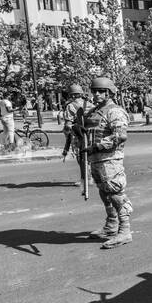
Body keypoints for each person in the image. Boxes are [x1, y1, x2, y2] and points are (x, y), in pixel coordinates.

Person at [79, 76, 134, 249]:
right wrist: (76, 128)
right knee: (104, 193)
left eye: (100, 91)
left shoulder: (115, 111)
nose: (96, 94)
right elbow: (85, 128)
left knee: (116, 194)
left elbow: (120, 136)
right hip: (95, 160)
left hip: (110, 160)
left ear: (109, 93)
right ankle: (111, 226)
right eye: (94, 91)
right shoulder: (93, 111)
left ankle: (125, 231)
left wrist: (97, 146)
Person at [62, 83, 88, 164]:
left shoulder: (70, 106)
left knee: (81, 160)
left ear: (72, 95)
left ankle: (84, 176)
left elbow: (68, 125)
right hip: (90, 135)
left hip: (78, 137)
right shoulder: (90, 104)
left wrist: (66, 132)